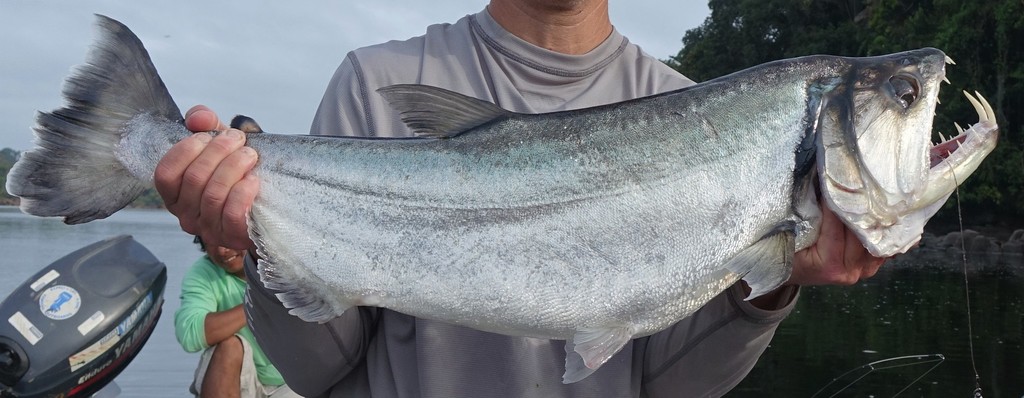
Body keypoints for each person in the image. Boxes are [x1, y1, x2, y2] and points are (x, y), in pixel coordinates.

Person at [155, 0, 886, 396]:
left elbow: (672, 387)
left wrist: (770, 287)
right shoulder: (372, 81)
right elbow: (319, 374)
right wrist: (259, 241)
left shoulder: (692, 112)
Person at [174, 235, 302, 398]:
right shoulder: (204, 272)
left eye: (226, 239)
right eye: (210, 242)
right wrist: (258, 302)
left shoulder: (286, 263)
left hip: (293, 383)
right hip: (245, 380)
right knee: (229, 347)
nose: (222, 251)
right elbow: (190, 336)